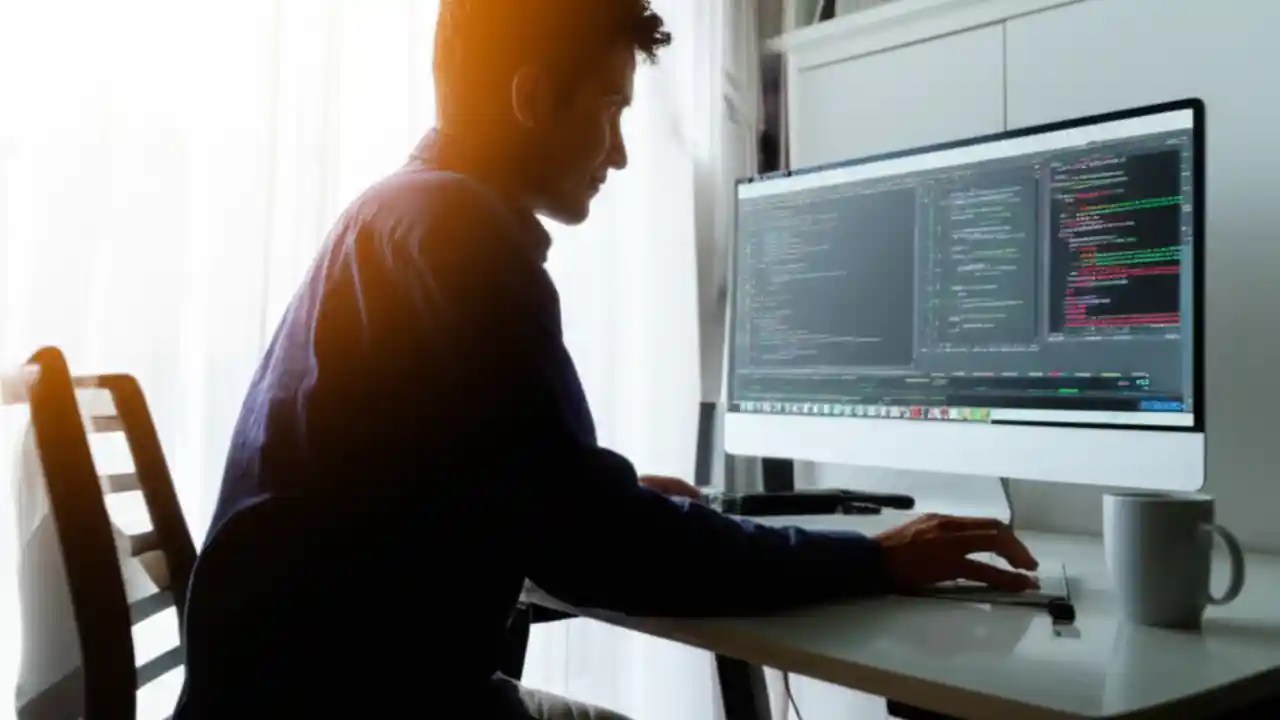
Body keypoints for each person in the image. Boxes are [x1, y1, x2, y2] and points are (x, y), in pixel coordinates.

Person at [173, 1, 1040, 718]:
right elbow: (594, 551)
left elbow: (510, 500)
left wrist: (602, 504)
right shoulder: (457, 237)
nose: (620, 153)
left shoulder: (399, 215)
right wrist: (875, 559)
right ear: (531, 96)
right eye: (611, 111)